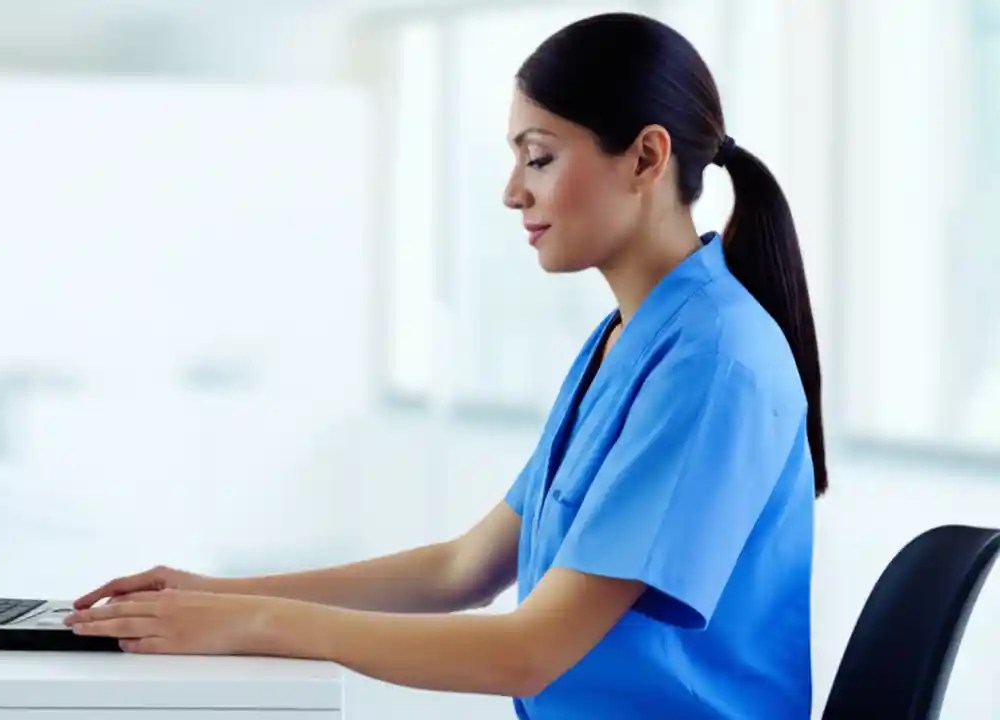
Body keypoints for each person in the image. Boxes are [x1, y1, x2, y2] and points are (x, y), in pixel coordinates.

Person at [64, 12, 825, 719]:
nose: (512, 190)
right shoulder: (626, 341)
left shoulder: (714, 361)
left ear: (646, 157)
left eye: (540, 156)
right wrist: (215, 594)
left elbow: (528, 652)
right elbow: (461, 569)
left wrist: (250, 622)